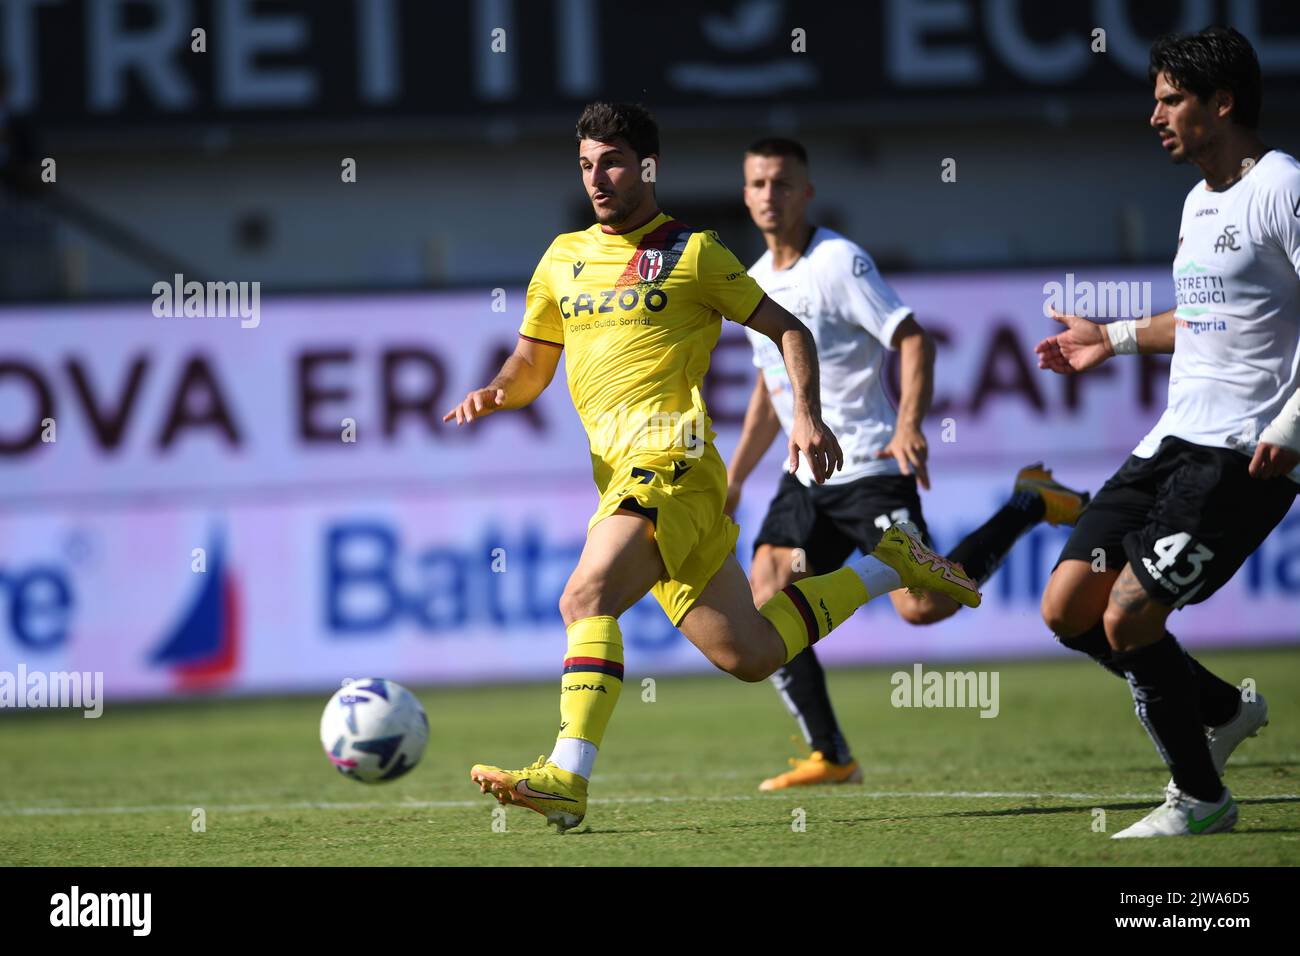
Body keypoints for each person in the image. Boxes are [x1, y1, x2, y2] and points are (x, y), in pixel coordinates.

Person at [444, 102, 980, 832]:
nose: (597, 179)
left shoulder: (693, 253)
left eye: (612, 163)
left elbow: (787, 328)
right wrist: (499, 392)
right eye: (585, 166)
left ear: (648, 168)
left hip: (672, 461)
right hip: (626, 479)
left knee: (585, 597)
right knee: (750, 653)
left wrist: (806, 414)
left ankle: (567, 775)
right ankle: (887, 565)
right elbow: (533, 362)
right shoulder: (561, 256)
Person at [1036, 26, 1298, 838]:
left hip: (1243, 453)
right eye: (1155, 98)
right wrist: (1107, 340)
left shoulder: (1283, 185)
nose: (1156, 115)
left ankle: (1201, 798)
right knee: (1066, 609)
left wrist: (1293, 423)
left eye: (1171, 99)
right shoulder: (1197, 200)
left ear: (1222, 104)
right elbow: (1206, 318)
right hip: (1173, 439)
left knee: (1128, 617)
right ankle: (1219, 707)